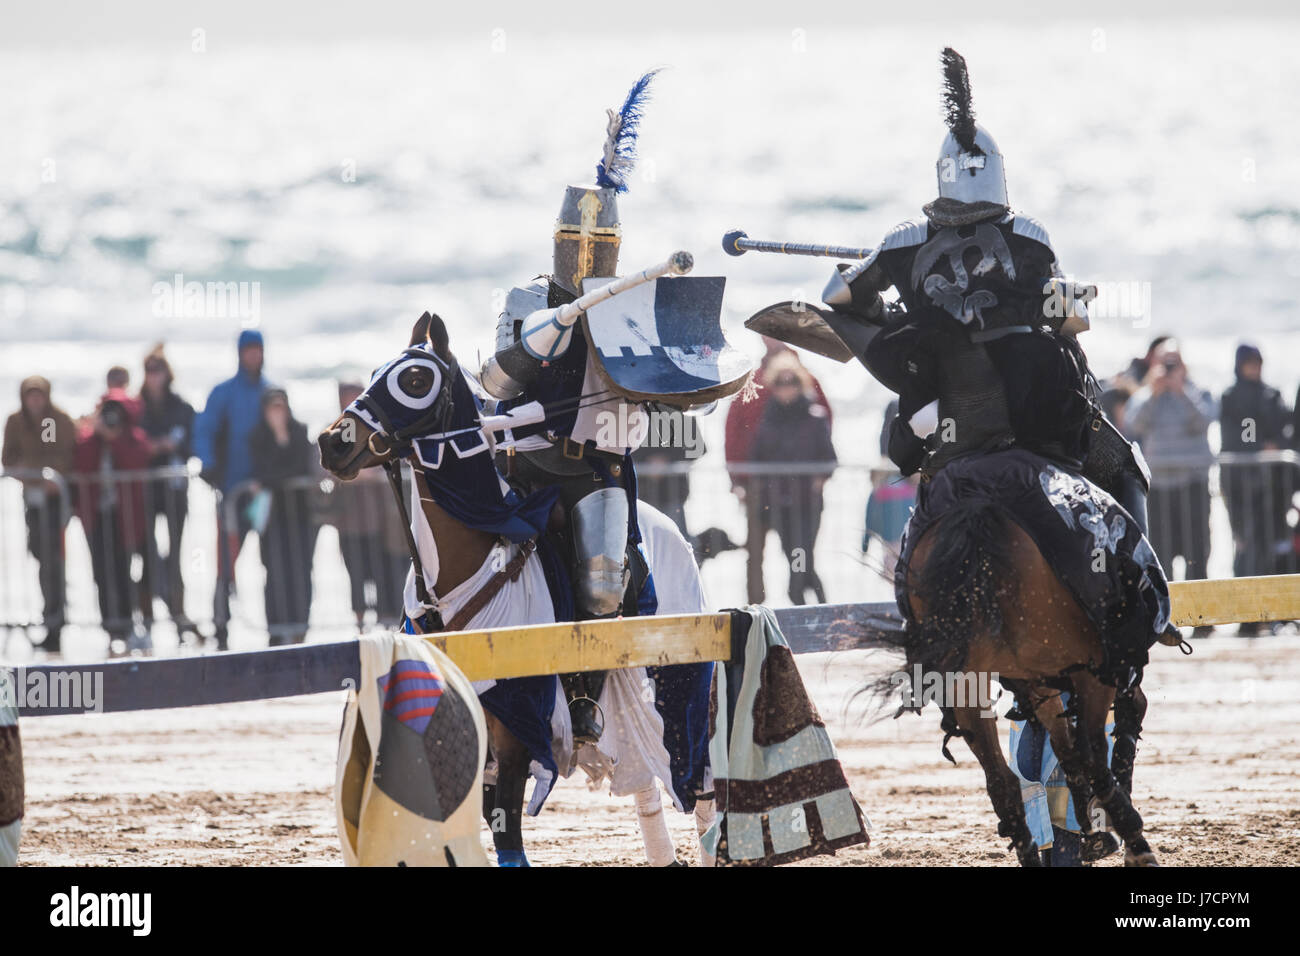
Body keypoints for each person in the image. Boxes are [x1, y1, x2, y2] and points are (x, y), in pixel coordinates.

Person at [808, 48, 1173, 863]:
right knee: (1124, 477)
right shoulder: (1030, 236)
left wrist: (873, 282)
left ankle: (939, 662)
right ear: (999, 182)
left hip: (951, 435)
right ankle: (1143, 618)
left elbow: (839, 305)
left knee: (918, 548)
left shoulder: (902, 241)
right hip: (1036, 426)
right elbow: (1064, 314)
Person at [724, 339, 832, 602]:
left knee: (801, 557)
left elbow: (826, 443)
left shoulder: (811, 399)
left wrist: (819, 476)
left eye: (791, 382)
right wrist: (738, 480)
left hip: (802, 496)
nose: (786, 388)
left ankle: (812, 607)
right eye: (781, 384)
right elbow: (737, 436)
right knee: (758, 554)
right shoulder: (753, 388)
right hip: (764, 492)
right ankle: (758, 616)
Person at [193, 329, 269, 650]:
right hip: (231, 491)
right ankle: (221, 625)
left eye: (257, 350)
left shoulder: (271, 391)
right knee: (227, 558)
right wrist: (207, 463)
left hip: (265, 493)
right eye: (248, 350)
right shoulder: (224, 392)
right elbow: (204, 428)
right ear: (239, 353)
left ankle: (276, 625)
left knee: (273, 558)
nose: (253, 355)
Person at [1125, 342, 1216, 605]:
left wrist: (1181, 391)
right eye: (1164, 363)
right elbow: (1135, 424)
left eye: (1174, 362)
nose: (1169, 368)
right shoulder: (1146, 396)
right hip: (1160, 487)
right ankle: (1167, 615)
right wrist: (1154, 392)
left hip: (1193, 484)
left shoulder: (1198, 392)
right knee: (1161, 553)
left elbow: (1204, 420)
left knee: (1197, 551)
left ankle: (1202, 617)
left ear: (1184, 365)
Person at [70, 392, 152, 653]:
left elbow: (138, 457)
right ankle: (110, 626)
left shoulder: (133, 438)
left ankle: (128, 624)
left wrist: (115, 440)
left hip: (125, 516)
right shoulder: (89, 440)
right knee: (101, 572)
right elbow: (81, 464)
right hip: (97, 516)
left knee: (124, 569)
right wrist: (97, 434)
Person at [1218, 344, 1291, 635]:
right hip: (1242, 489)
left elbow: (1284, 430)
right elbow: (1238, 435)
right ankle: (1248, 617)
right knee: (1246, 549)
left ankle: (1274, 614)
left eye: (1257, 362)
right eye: (1249, 362)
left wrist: (1270, 444)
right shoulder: (1232, 397)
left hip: (1272, 488)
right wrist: (1260, 445)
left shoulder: (1271, 395)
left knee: (1273, 550)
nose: (1254, 367)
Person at [2, 376, 76, 653]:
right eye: (30, 395)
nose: (35, 400)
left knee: (52, 559)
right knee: (39, 553)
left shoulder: (53, 421)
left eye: (38, 395)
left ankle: (56, 619)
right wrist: (28, 474)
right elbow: (8, 456)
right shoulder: (16, 421)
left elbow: (59, 456)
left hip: (55, 499)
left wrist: (41, 474)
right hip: (32, 500)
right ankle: (52, 613)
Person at [329, 382, 411, 629]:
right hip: (350, 520)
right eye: (347, 396)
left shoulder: (372, 426)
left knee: (384, 574)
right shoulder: (342, 427)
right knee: (357, 576)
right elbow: (332, 465)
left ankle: (386, 623)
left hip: (379, 520)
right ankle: (361, 625)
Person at [248, 389, 318, 645]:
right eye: (272, 408)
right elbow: (262, 470)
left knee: (301, 570)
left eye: (281, 407)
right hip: (272, 518)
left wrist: (283, 435)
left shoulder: (300, 432)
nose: (277, 413)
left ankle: (301, 627)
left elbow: (299, 469)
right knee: (274, 570)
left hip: (299, 514)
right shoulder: (257, 436)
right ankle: (276, 630)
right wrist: (277, 438)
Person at [137, 344, 197, 638]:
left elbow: (192, 443)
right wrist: (158, 446)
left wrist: (161, 446)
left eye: (157, 369)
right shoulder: (136, 407)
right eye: (149, 370)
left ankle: (178, 613)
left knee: (176, 552)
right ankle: (146, 617)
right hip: (145, 491)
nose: (153, 376)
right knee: (146, 552)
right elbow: (134, 445)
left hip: (174, 490)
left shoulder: (181, 406)